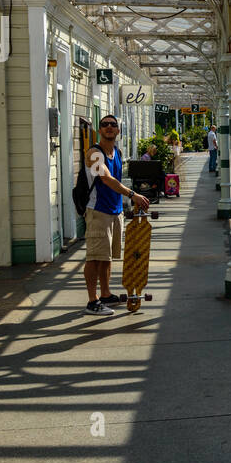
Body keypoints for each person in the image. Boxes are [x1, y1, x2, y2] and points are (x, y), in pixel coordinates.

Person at [83, 115, 149, 318]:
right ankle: (92, 301)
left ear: (118, 131)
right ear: (99, 130)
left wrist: (125, 204)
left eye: (113, 125)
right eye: (105, 125)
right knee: (95, 257)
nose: (109, 128)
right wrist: (132, 195)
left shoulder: (118, 153)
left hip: (115, 211)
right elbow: (105, 178)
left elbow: (116, 179)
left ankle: (105, 294)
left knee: (107, 257)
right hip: (98, 212)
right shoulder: (94, 153)